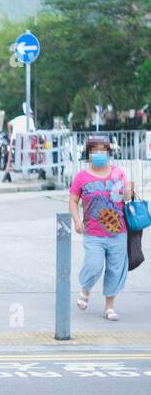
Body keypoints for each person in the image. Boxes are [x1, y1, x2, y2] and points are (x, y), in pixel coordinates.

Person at [69, 137, 133, 322]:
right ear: (88, 154)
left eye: (103, 150)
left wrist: (127, 188)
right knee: (94, 265)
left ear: (109, 153)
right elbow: (73, 201)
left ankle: (109, 307)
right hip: (93, 233)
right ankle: (86, 289)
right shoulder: (81, 177)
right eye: (95, 150)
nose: (99, 154)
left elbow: (127, 198)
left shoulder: (118, 173)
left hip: (118, 232)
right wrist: (76, 220)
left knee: (115, 269)